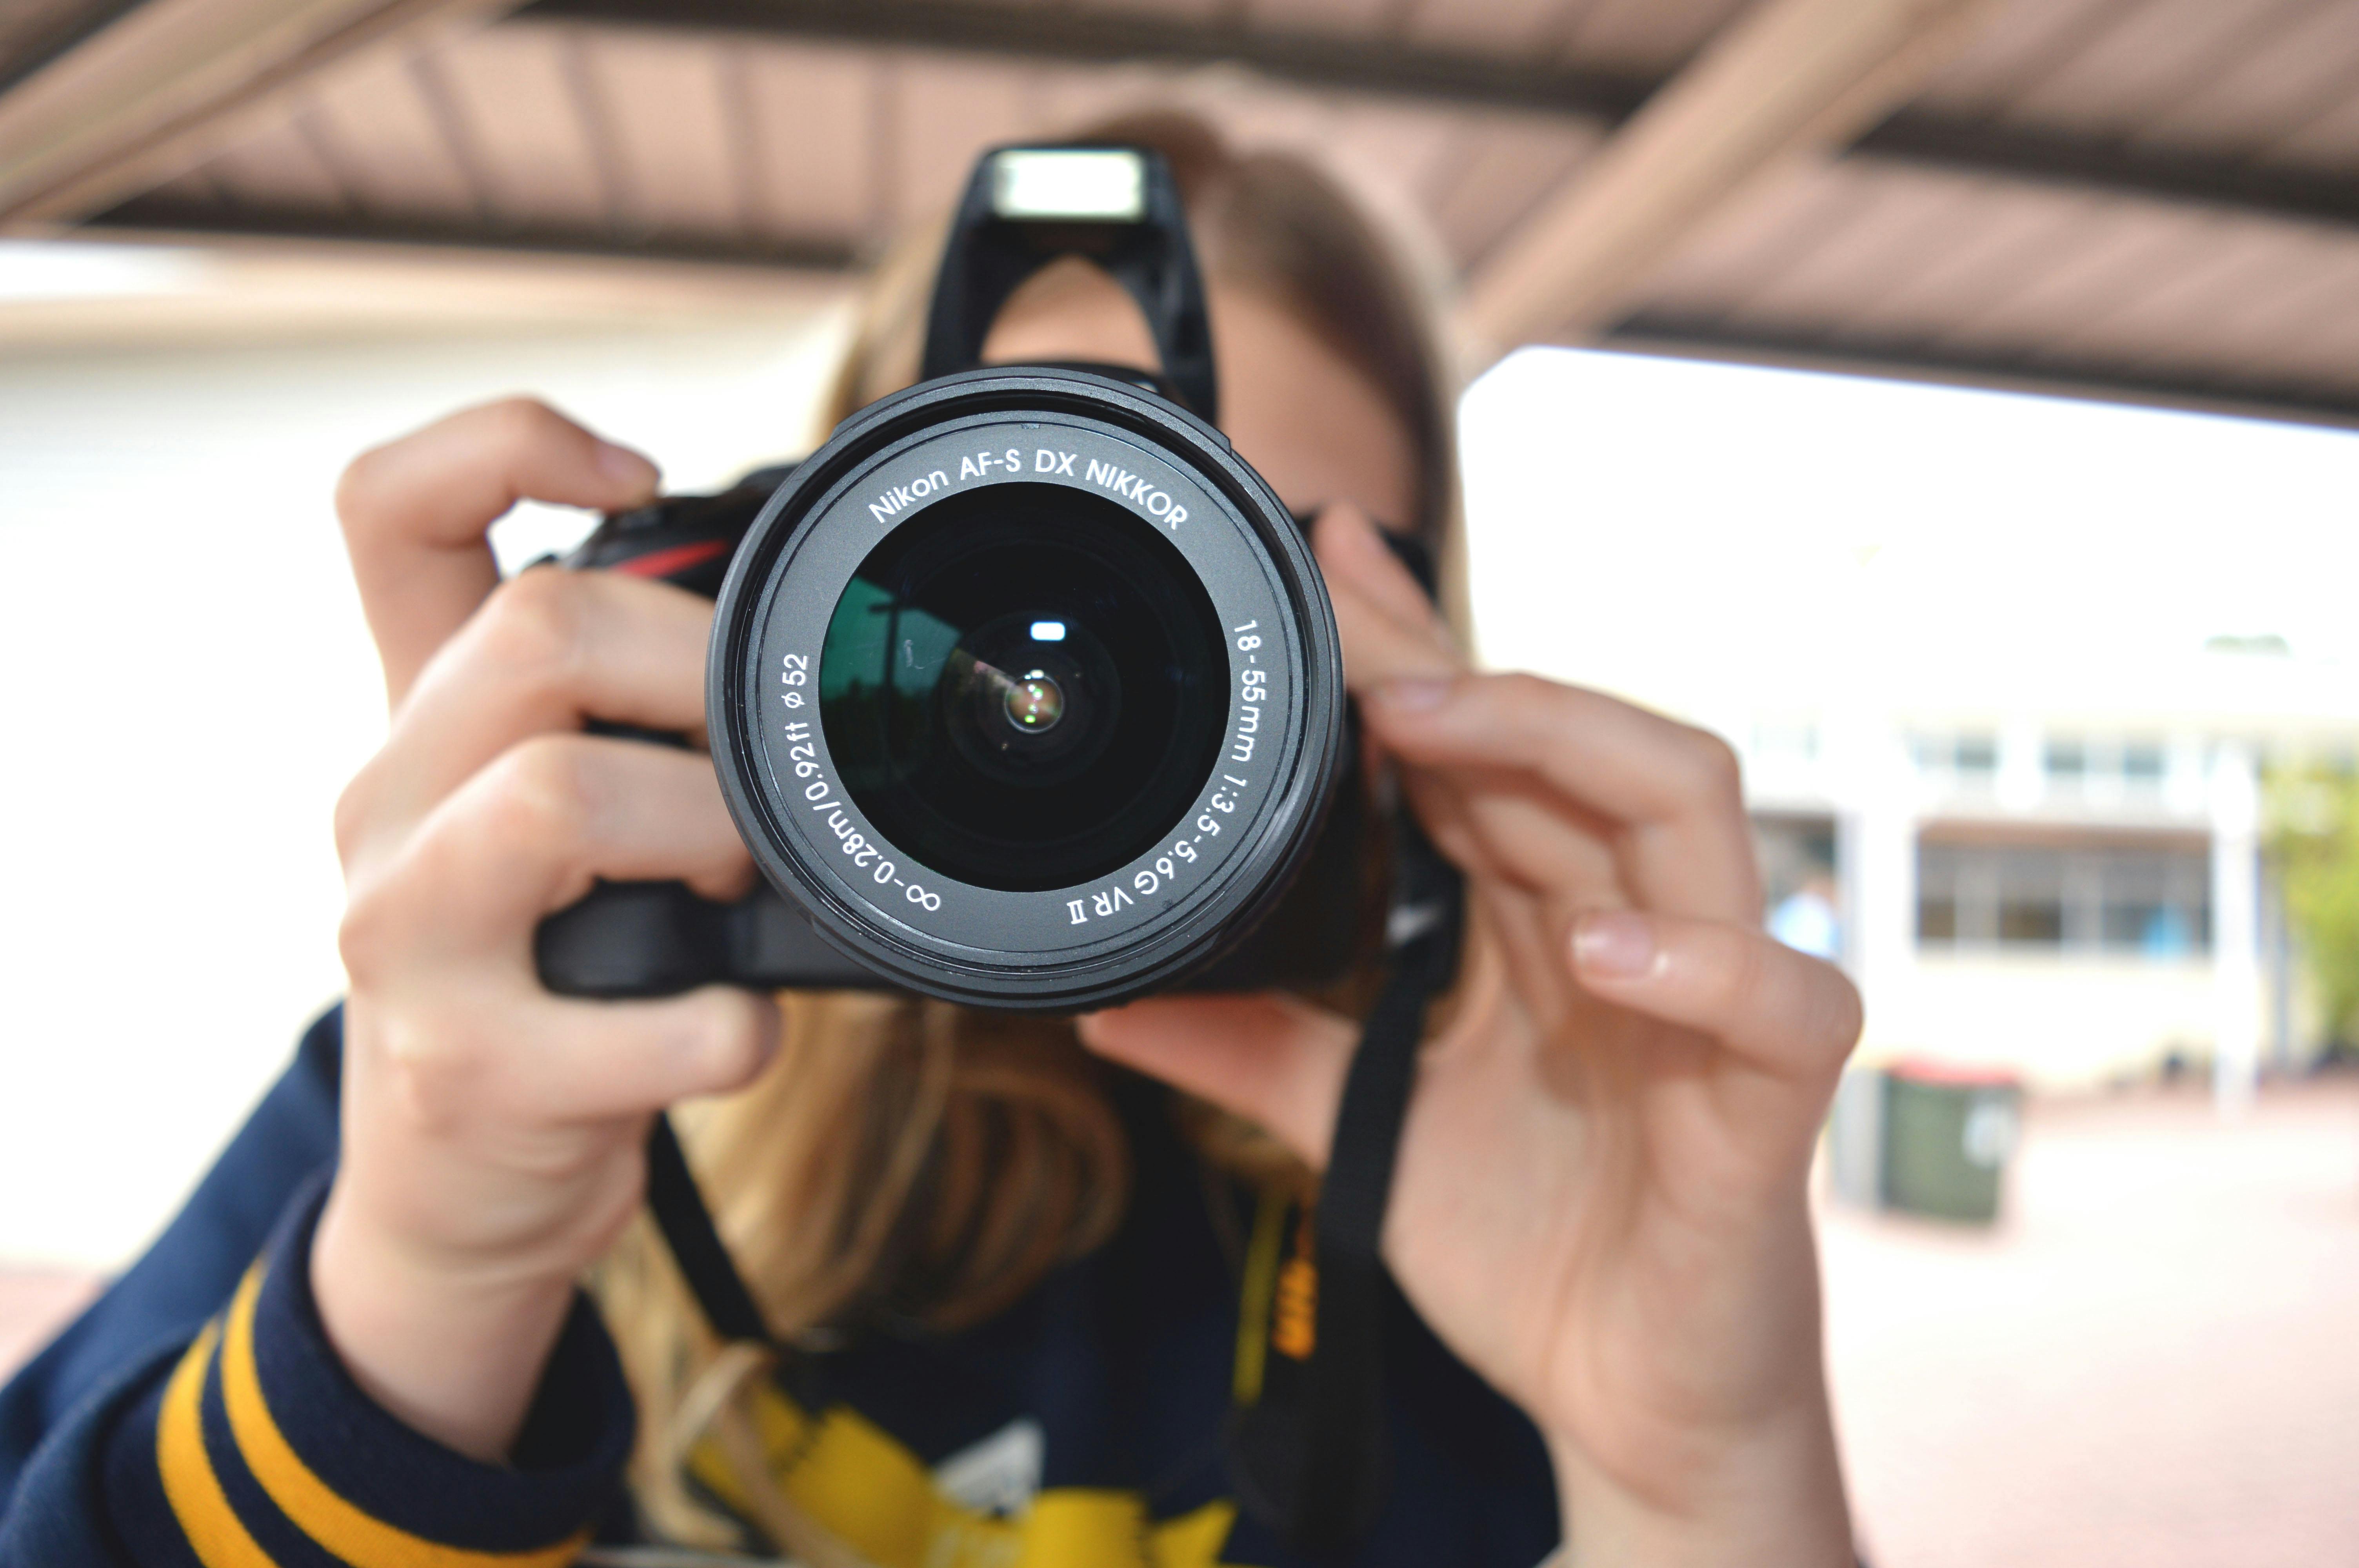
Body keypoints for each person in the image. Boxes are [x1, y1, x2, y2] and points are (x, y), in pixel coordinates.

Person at [0, 112, 1863, 1566]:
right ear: (773, 605)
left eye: (1241, 585)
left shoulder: (1508, 1203)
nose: (1104, 703)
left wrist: (1706, 1479)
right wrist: (424, 1288)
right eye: (1020, 556)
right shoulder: (509, 1076)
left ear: (1403, 661)